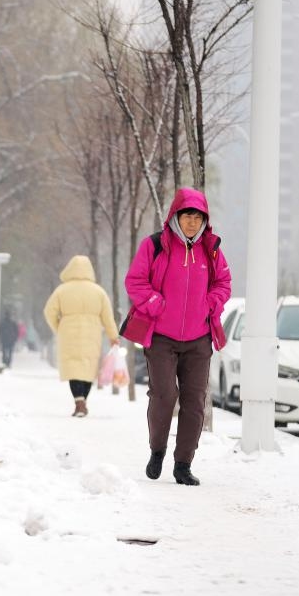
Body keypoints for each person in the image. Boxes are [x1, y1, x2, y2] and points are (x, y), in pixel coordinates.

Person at [124, 188, 231, 486]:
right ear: (175, 217)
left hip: (198, 339)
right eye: (188, 216)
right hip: (161, 336)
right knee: (164, 395)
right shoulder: (155, 246)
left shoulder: (211, 250)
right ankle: (157, 450)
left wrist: (211, 302)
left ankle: (183, 464)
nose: (193, 222)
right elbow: (135, 281)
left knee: (195, 401)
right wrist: (155, 303)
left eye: (199, 217)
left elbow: (224, 282)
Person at [43, 255, 120, 418]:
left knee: (73, 368)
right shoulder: (98, 292)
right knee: (88, 368)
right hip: (92, 336)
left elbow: (49, 312)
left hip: (68, 336)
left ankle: (79, 402)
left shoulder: (62, 290)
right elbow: (108, 317)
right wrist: (113, 336)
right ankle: (83, 401)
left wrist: (59, 328)